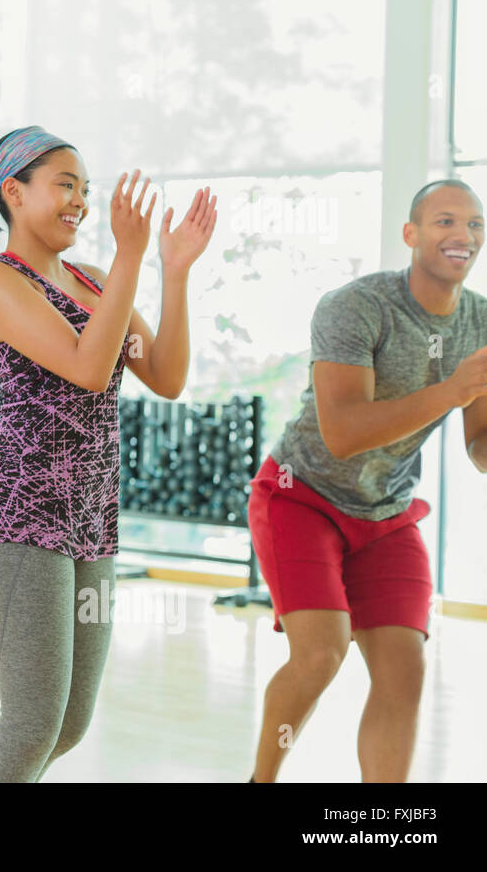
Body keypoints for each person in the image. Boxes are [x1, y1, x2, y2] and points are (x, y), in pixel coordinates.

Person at [0, 126, 217, 782]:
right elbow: (87, 369)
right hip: (20, 517)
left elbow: (167, 375)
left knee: (67, 725)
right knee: (31, 720)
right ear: (14, 192)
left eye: (86, 190)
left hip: (92, 517)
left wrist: (171, 272)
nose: (81, 202)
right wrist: (131, 256)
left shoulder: (96, 279)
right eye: (66, 185)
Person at [248, 178, 487, 783]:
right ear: (410, 235)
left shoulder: (482, 322)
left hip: (385, 512)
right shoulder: (355, 306)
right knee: (320, 654)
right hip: (301, 497)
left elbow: (479, 446)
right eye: (445, 221)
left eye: (475, 224)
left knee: (405, 670)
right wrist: (452, 388)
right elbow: (343, 433)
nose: (463, 235)